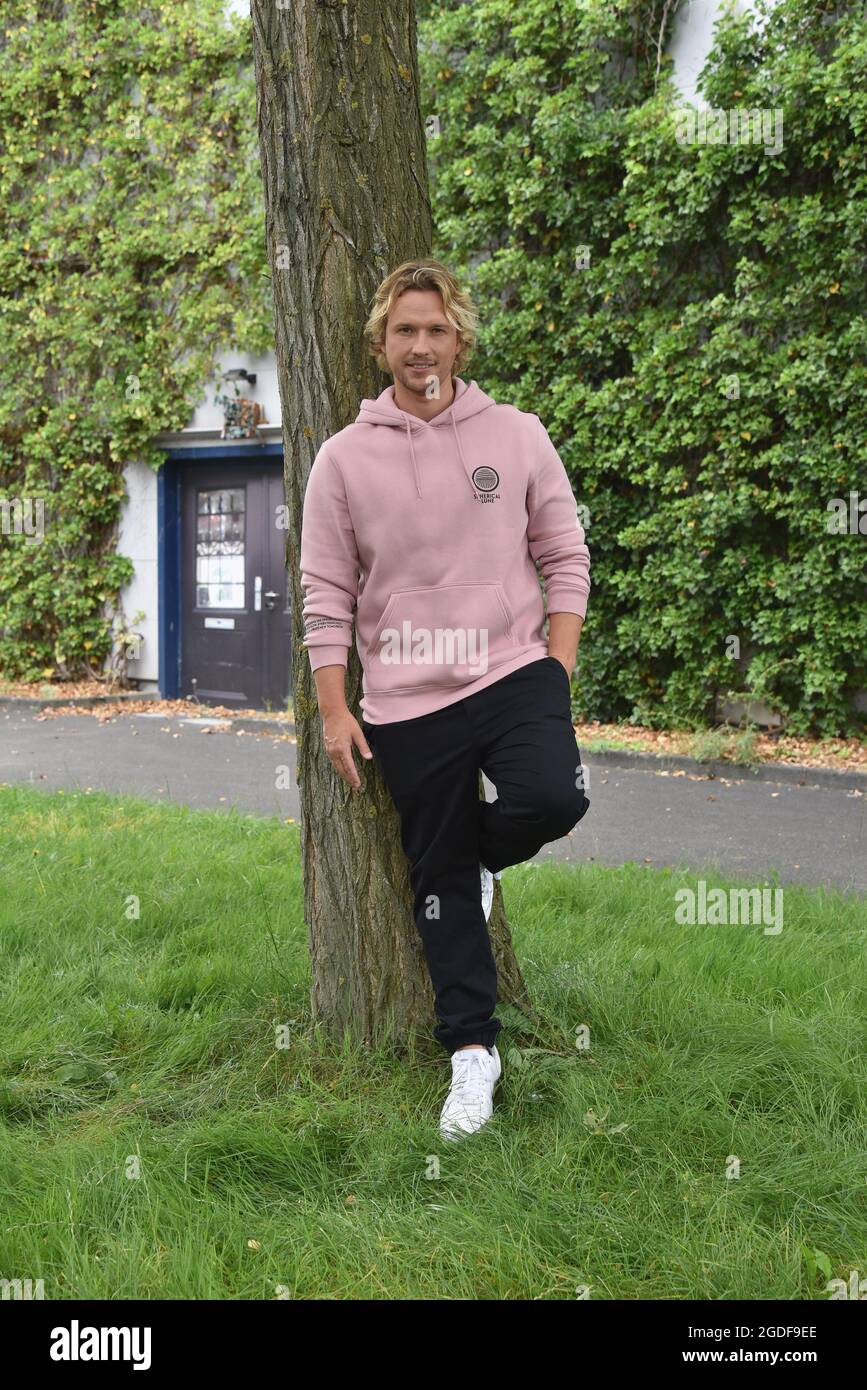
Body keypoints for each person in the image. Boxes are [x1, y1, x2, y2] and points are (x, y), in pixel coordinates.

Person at [299, 260, 591, 1140]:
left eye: (435, 329)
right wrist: (334, 707)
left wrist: (557, 673)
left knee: (554, 796)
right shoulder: (343, 458)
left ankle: (481, 859)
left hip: (511, 671)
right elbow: (325, 590)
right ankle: (472, 1056)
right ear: (381, 344)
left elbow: (565, 556)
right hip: (403, 701)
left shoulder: (516, 433)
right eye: (403, 331)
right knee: (437, 887)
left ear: (459, 339)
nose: (419, 346)